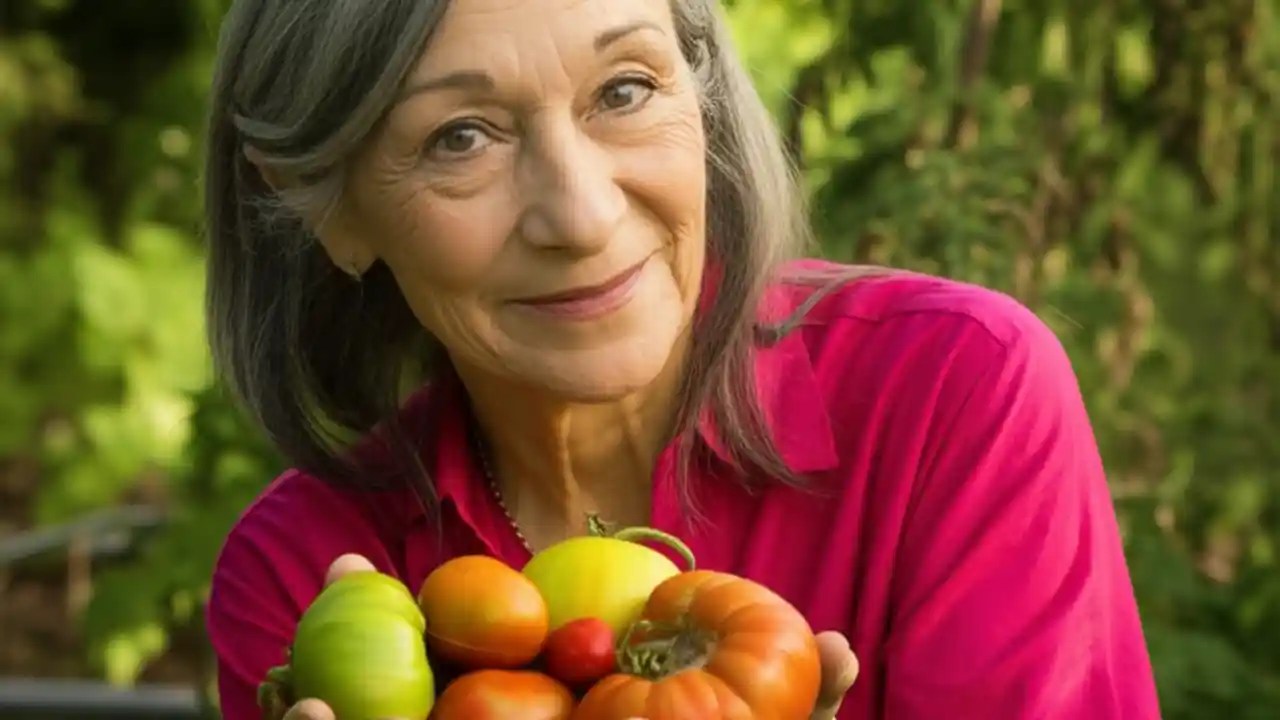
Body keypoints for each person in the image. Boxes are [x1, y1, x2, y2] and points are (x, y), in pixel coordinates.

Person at [201, 0, 1163, 718]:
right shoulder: (303, 576)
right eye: (461, 139)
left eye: (623, 90)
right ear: (327, 205)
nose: (582, 216)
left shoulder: (957, 392)